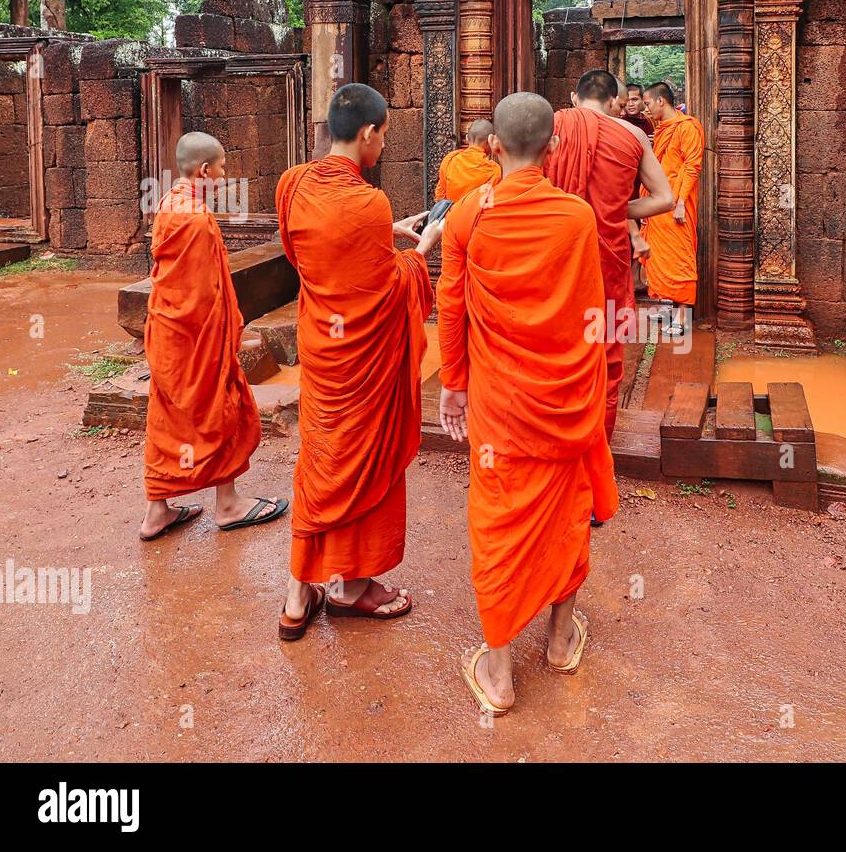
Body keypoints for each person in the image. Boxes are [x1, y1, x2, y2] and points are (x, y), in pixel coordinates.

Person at [437, 92, 619, 716]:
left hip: (500, 406)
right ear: (554, 146)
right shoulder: (577, 218)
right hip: (564, 397)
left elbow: (451, 305)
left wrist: (453, 384)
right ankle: (561, 639)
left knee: (497, 523)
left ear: (492, 146)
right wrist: (590, 388)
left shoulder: (468, 216)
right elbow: (592, 316)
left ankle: (499, 670)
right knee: (569, 510)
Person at [274, 83, 443, 642]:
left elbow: (310, 260)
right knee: (364, 460)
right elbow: (389, 289)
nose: (385, 144)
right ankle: (351, 587)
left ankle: (300, 596)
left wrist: (385, 235)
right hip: (364, 361)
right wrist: (421, 251)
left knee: (321, 460)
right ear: (369, 133)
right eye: (386, 134)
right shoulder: (370, 202)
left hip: (323, 351)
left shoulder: (292, 184)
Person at [140, 132, 289, 541]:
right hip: (198, 340)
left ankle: (157, 510)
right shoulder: (199, 220)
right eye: (222, 169)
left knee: (166, 416)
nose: (224, 177)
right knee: (226, 406)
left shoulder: (168, 205)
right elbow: (208, 295)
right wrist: (232, 335)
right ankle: (228, 504)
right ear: (205, 171)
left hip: (167, 336)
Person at [544, 69, 673, 440]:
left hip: (555, 253)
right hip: (608, 256)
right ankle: (598, 438)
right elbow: (665, 199)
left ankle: (555, 428)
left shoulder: (551, 124)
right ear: (614, 102)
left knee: (554, 338)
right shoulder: (631, 133)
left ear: (574, 97)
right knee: (606, 348)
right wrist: (615, 209)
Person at [641, 81, 705, 336]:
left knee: (679, 259)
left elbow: (692, 166)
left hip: (676, 203)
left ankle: (683, 317)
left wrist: (679, 203)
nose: (645, 110)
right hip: (658, 203)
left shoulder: (688, 127)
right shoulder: (665, 127)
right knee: (658, 257)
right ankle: (670, 304)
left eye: (647, 104)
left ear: (660, 101)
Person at [435, 119, 500, 203]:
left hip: (452, 214)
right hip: (478, 215)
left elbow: (440, 196)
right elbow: (495, 200)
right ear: (490, 141)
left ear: (466, 138)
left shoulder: (450, 160)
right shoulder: (494, 170)